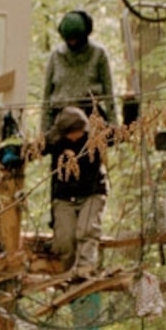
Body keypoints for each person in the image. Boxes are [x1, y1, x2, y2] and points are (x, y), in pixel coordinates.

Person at [43, 102, 107, 269]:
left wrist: (131, 108)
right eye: (71, 134)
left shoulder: (95, 136)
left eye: (78, 132)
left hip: (92, 192)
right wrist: (10, 152)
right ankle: (67, 271)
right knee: (64, 239)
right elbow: (33, 149)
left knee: (87, 230)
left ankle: (86, 269)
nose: (75, 137)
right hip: (64, 195)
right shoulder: (55, 139)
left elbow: (123, 132)